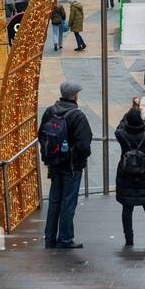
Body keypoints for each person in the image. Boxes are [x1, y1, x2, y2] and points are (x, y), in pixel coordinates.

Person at [38, 80, 94, 250]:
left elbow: (42, 135)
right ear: (75, 95)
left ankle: (50, 237)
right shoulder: (77, 115)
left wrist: (51, 156)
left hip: (54, 164)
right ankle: (65, 238)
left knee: (54, 200)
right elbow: (84, 144)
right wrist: (76, 157)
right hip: (72, 167)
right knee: (68, 202)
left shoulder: (50, 112)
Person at [115, 106, 145, 247]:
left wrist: (127, 112)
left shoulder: (121, 135)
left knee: (127, 207)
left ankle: (129, 240)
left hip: (126, 174)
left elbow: (119, 126)